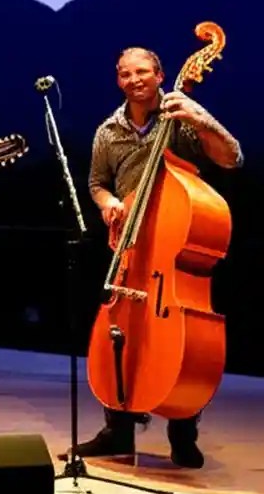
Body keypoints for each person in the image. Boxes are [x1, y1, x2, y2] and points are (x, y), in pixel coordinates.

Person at [67, 46, 242, 469]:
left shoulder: (182, 118)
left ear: (160, 74)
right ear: (118, 80)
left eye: (142, 71)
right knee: (119, 333)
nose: (134, 80)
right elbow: (95, 182)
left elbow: (232, 157)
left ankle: (183, 431)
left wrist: (200, 118)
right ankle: (117, 429)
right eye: (125, 73)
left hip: (173, 244)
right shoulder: (108, 130)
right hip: (130, 247)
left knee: (181, 338)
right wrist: (108, 202)